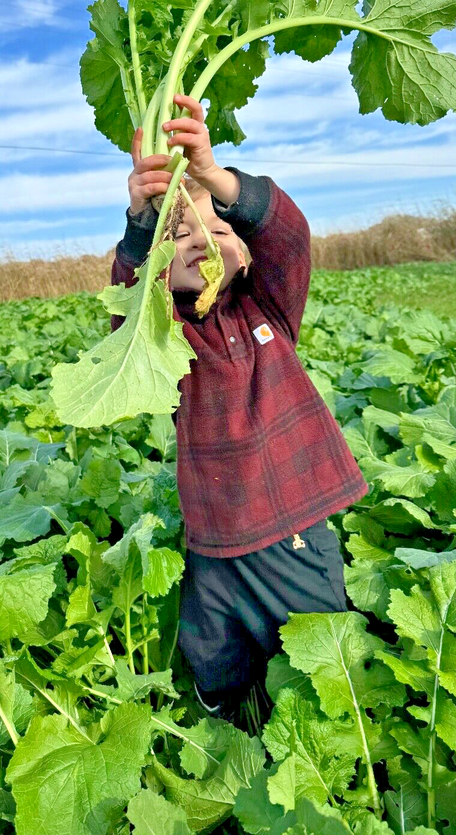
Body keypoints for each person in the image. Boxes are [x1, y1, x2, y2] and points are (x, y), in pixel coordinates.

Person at [109, 93, 368, 725]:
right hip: (213, 541)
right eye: (178, 235)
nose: (198, 239)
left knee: (323, 656)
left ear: (246, 256)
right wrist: (142, 222)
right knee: (212, 658)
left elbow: (289, 235)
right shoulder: (169, 340)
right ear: (158, 274)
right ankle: (229, 724)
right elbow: (124, 303)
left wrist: (211, 177)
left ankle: (341, 743)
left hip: (292, 533)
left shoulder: (268, 313)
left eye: (218, 231)